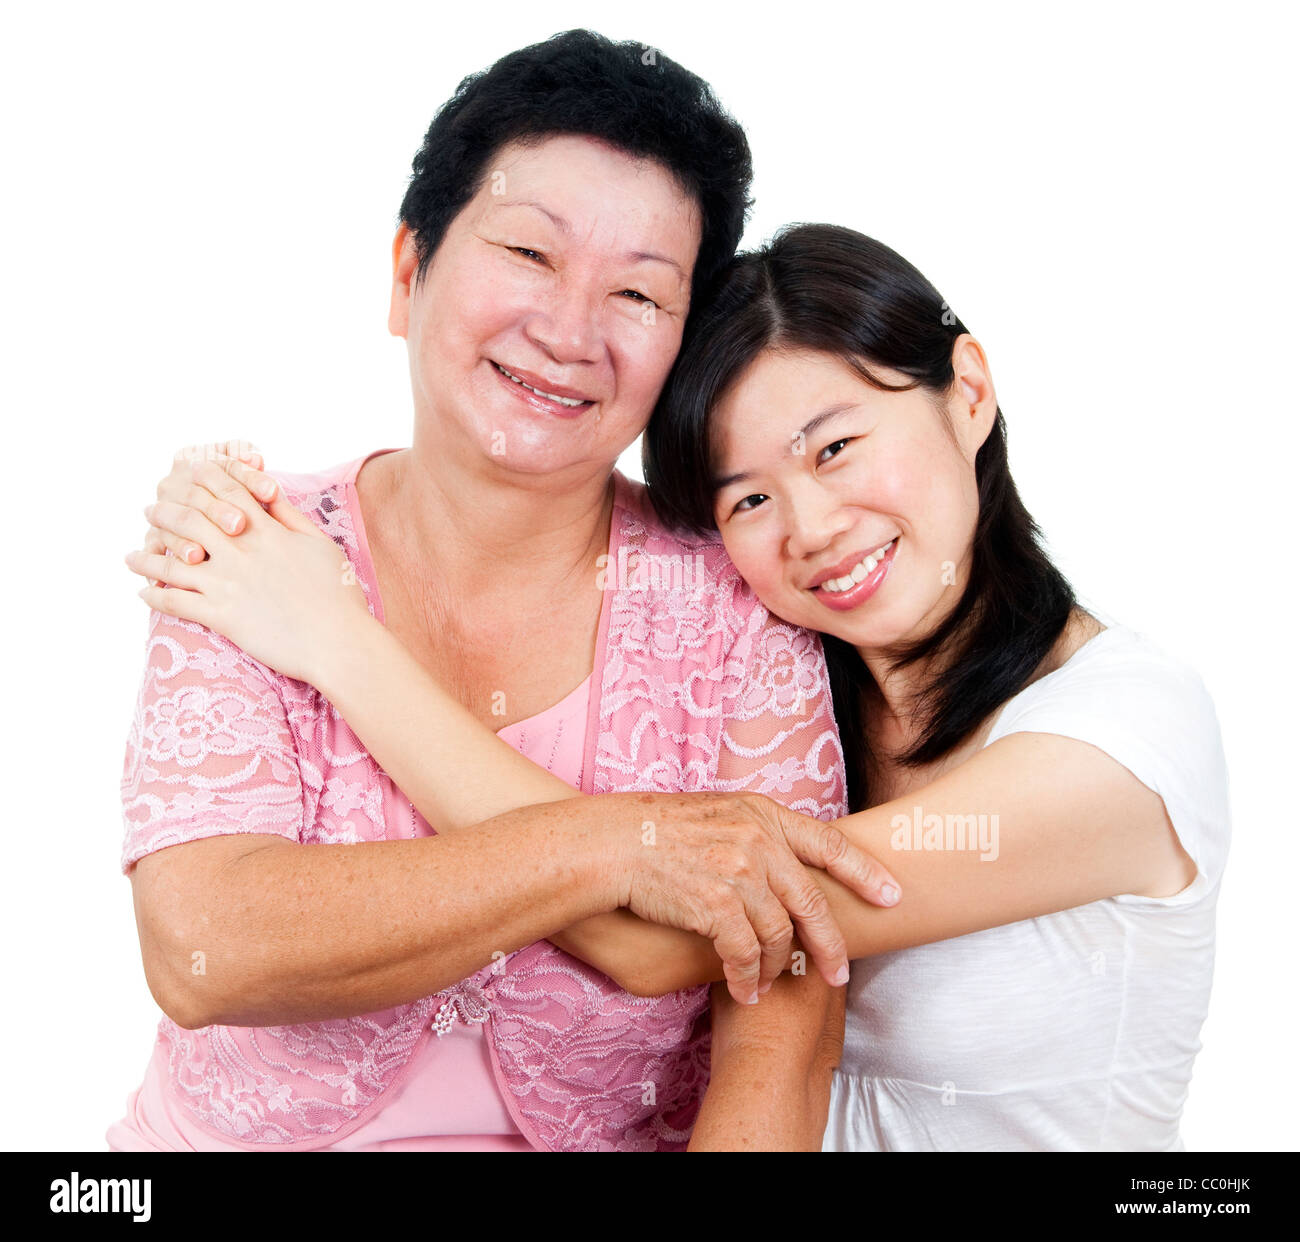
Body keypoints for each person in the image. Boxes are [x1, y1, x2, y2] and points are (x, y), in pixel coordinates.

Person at [135, 223, 1230, 1151]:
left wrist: (338, 641)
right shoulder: (805, 692)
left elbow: (669, 935)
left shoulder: (1120, 740)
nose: (809, 527)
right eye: (745, 500)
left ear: (970, 391)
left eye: (836, 446)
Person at [107, 31, 900, 1154]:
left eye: (638, 292)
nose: (568, 332)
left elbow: (782, 1003)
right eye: (528, 254)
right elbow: (206, 948)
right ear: (407, 271)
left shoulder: (736, 596)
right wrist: (623, 844)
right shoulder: (250, 543)